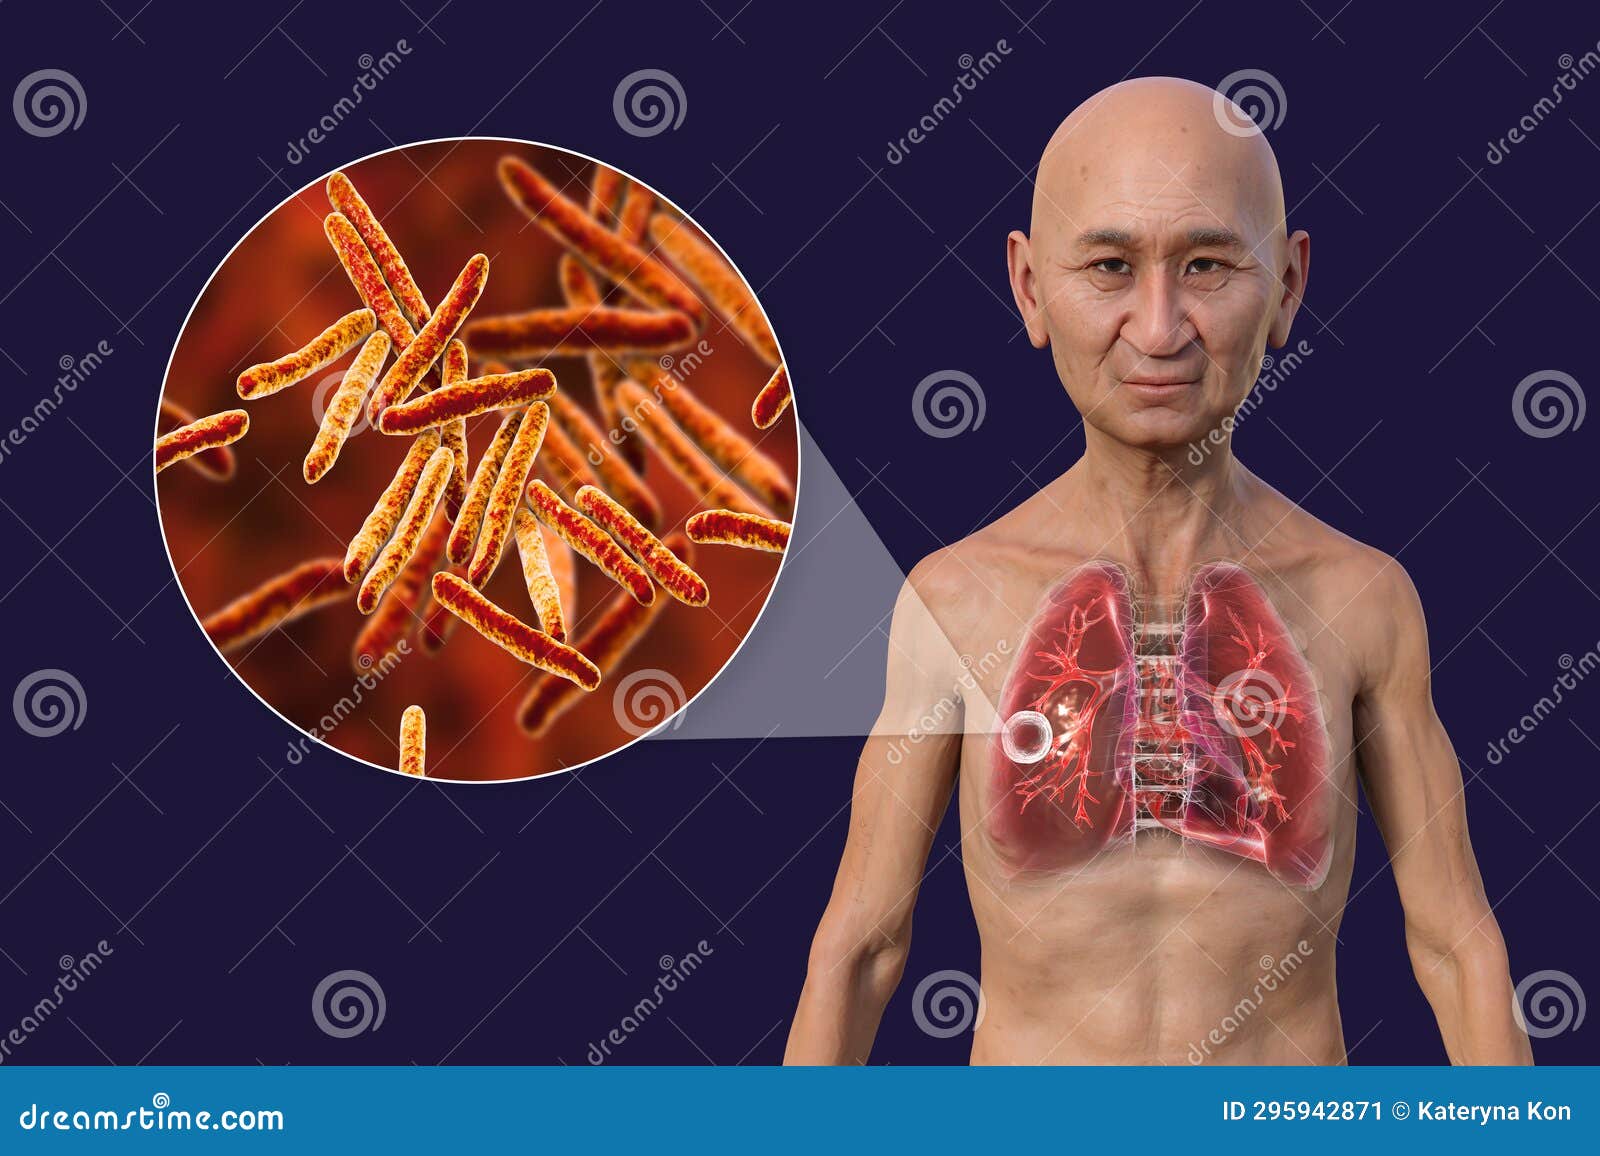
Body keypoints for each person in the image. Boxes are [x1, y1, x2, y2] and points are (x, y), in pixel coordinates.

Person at [784, 77, 1530, 1065]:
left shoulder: (1361, 598)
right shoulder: (955, 598)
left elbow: (1452, 940)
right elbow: (865, 946)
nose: (1159, 325)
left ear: (1287, 286)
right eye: (1108, 265)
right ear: (1029, 287)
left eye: (1208, 264)